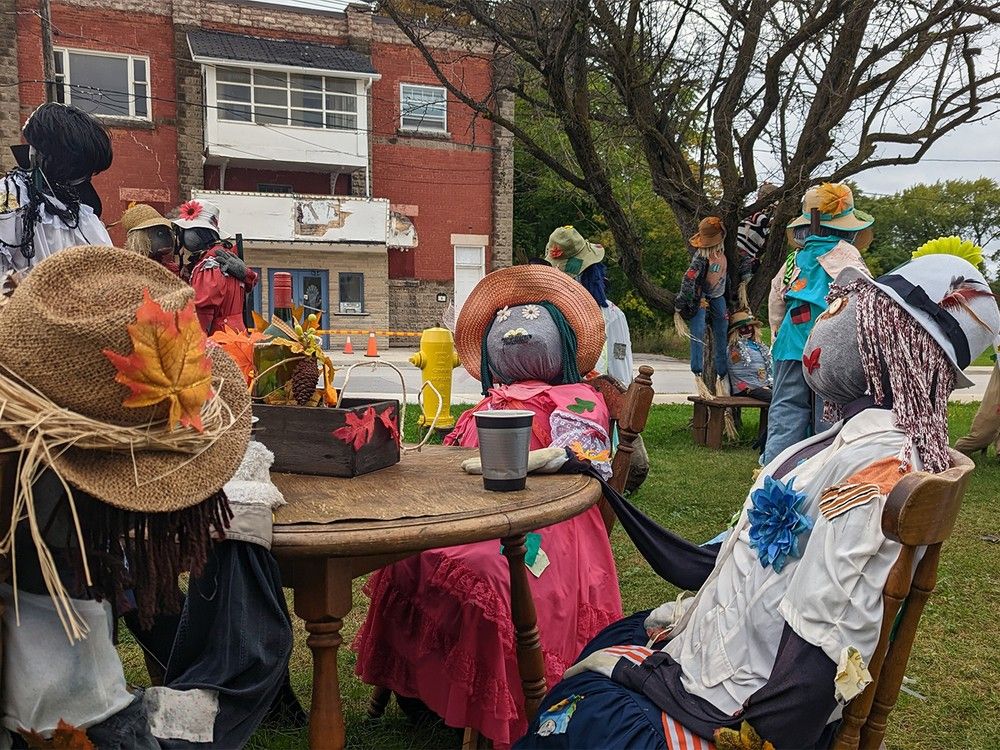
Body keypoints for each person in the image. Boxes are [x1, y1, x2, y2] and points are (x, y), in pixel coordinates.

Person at [514, 247, 1000, 750]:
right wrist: (593, 469)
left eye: (843, 310)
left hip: (740, 699)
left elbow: (828, 626)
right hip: (730, 641)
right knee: (612, 641)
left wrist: (756, 737)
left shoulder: (876, 468)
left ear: (888, 343)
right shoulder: (854, 437)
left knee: (584, 710)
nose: (823, 328)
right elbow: (720, 559)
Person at [0, 246, 294, 748]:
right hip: (51, 721)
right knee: (251, 661)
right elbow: (74, 718)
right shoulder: (32, 506)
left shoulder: (28, 483)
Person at [355, 264, 622, 748]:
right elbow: (454, 458)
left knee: (488, 576)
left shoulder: (575, 397)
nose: (517, 329)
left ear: (562, 338)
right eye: (507, 320)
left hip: (551, 523)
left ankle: (494, 705)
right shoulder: (490, 401)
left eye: (532, 319)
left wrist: (533, 458)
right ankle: (425, 689)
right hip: (470, 515)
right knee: (410, 556)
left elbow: (586, 458)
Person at [763, 183, 871, 465]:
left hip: (790, 347)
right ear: (846, 227)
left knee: (786, 408)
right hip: (830, 350)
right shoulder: (848, 257)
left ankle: (774, 469)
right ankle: (821, 470)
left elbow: (776, 302)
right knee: (829, 414)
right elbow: (865, 298)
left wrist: (777, 335)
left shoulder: (792, 260)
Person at [545, 226, 646, 489]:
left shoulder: (551, 313)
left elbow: (619, 360)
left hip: (577, 400)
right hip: (586, 401)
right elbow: (620, 367)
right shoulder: (607, 314)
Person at [1, 102, 112, 276]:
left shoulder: (82, 214)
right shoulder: (9, 201)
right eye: (73, 168)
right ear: (37, 156)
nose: (78, 180)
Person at [172, 198, 257, 334]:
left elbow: (202, 314)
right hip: (237, 336)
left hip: (217, 341)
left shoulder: (209, 265)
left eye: (185, 231)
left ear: (196, 234)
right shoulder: (227, 258)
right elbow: (250, 282)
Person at [676, 217, 729, 399]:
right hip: (702, 295)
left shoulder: (723, 252)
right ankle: (697, 370)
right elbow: (689, 278)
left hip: (718, 295)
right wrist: (683, 301)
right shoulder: (701, 257)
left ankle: (722, 372)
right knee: (697, 331)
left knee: (722, 324)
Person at [735, 183, 779, 309]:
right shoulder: (757, 213)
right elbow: (762, 221)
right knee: (746, 277)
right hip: (743, 250)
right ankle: (744, 299)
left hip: (748, 251)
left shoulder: (760, 213)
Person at [118, 203, 181, 275]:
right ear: (138, 238)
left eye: (167, 232)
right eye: (159, 233)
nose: (167, 238)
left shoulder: (172, 271)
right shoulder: (128, 272)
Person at [727, 309, 772, 402]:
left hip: (762, 386)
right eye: (743, 328)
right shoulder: (734, 349)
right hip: (745, 388)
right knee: (775, 398)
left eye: (750, 327)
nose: (747, 330)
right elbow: (737, 372)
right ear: (736, 331)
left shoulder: (759, 345)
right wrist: (754, 386)